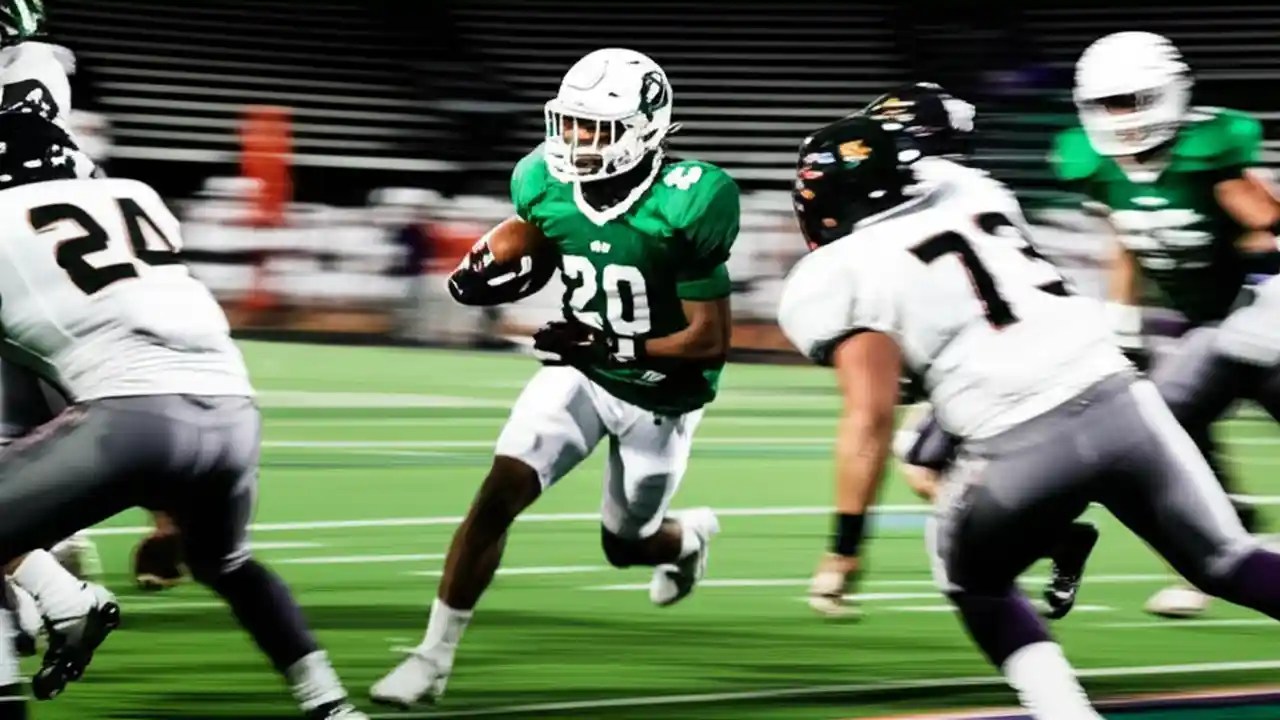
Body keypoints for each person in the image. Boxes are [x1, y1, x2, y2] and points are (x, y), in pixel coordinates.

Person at [777, 113, 1280, 719]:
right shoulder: (975, 191)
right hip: (1120, 394)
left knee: (971, 578)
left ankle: (1063, 711)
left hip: (1015, 440)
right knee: (1226, 559)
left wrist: (845, 548)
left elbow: (870, 413)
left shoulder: (833, 274)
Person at [371, 47, 739, 708]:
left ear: (646, 128)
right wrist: (484, 263)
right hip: (580, 370)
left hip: (662, 395)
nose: (576, 141)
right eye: (570, 124)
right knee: (497, 495)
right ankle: (432, 659)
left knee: (625, 546)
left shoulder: (691, 199)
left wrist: (614, 344)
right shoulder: (542, 179)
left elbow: (708, 339)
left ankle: (686, 541)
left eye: (596, 128)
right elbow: (533, 235)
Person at [0, 103, 366, 718]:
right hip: (231, 413)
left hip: (127, 424)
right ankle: (329, 703)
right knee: (227, 564)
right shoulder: (136, 196)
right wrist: (169, 518)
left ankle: (64, 600)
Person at [1053, 30, 1280, 617]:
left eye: (1134, 100)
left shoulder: (1208, 151)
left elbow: (1270, 224)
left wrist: (1267, 287)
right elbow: (1123, 243)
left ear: (1169, 96)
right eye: (1110, 104)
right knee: (1165, 427)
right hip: (1211, 330)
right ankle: (1220, 545)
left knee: (1167, 419)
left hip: (1264, 323)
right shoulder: (1097, 167)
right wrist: (1122, 323)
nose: (1123, 118)